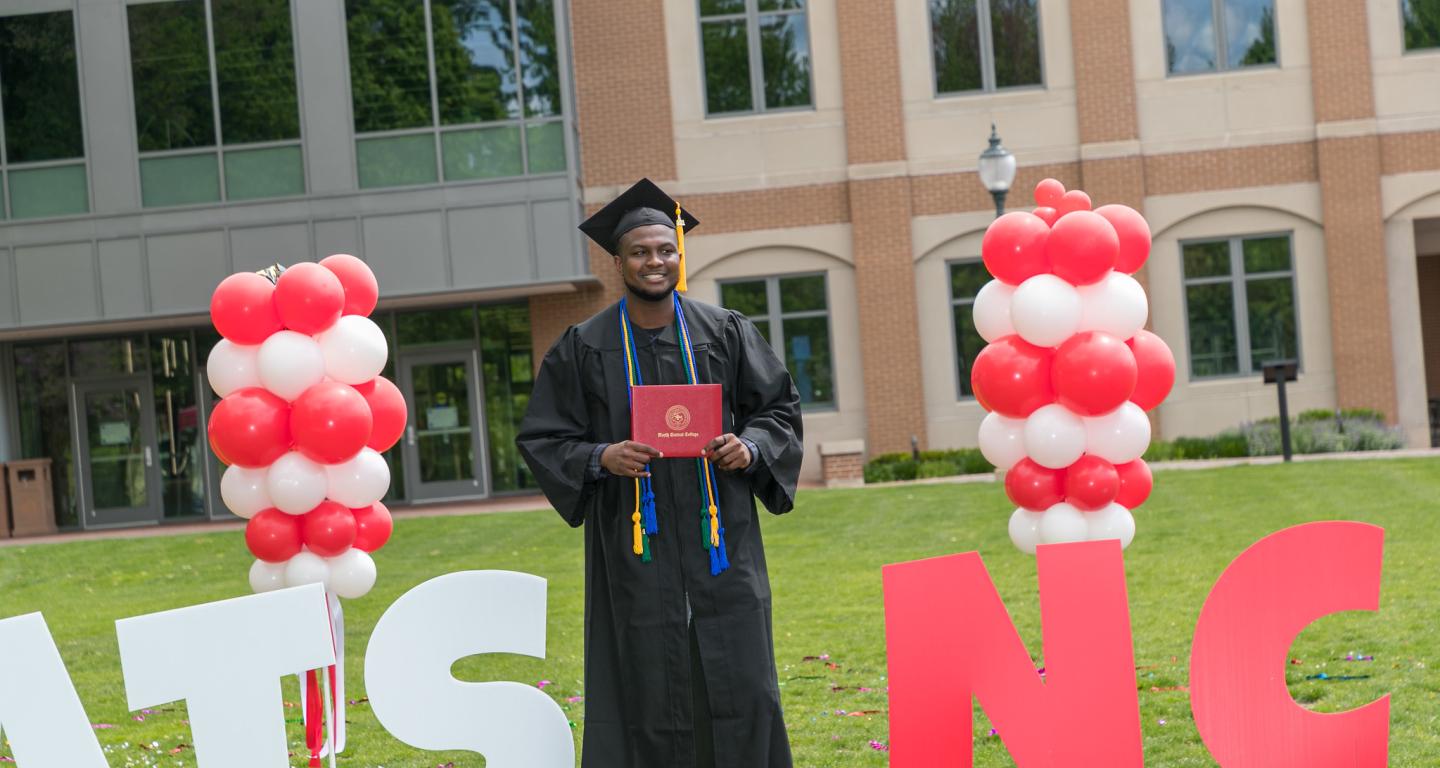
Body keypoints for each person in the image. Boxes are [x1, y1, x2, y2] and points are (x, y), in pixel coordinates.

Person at [517, 178, 804, 767]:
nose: (655, 261)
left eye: (665, 249)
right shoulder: (584, 346)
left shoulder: (723, 331)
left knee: (743, 679)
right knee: (645, 684)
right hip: (635, 545)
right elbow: (544, 437)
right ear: (618, 260)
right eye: (641, 252)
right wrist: (601, 458)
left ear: (679, 254)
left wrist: (748, 447)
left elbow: (777, 408)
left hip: (719, 535)